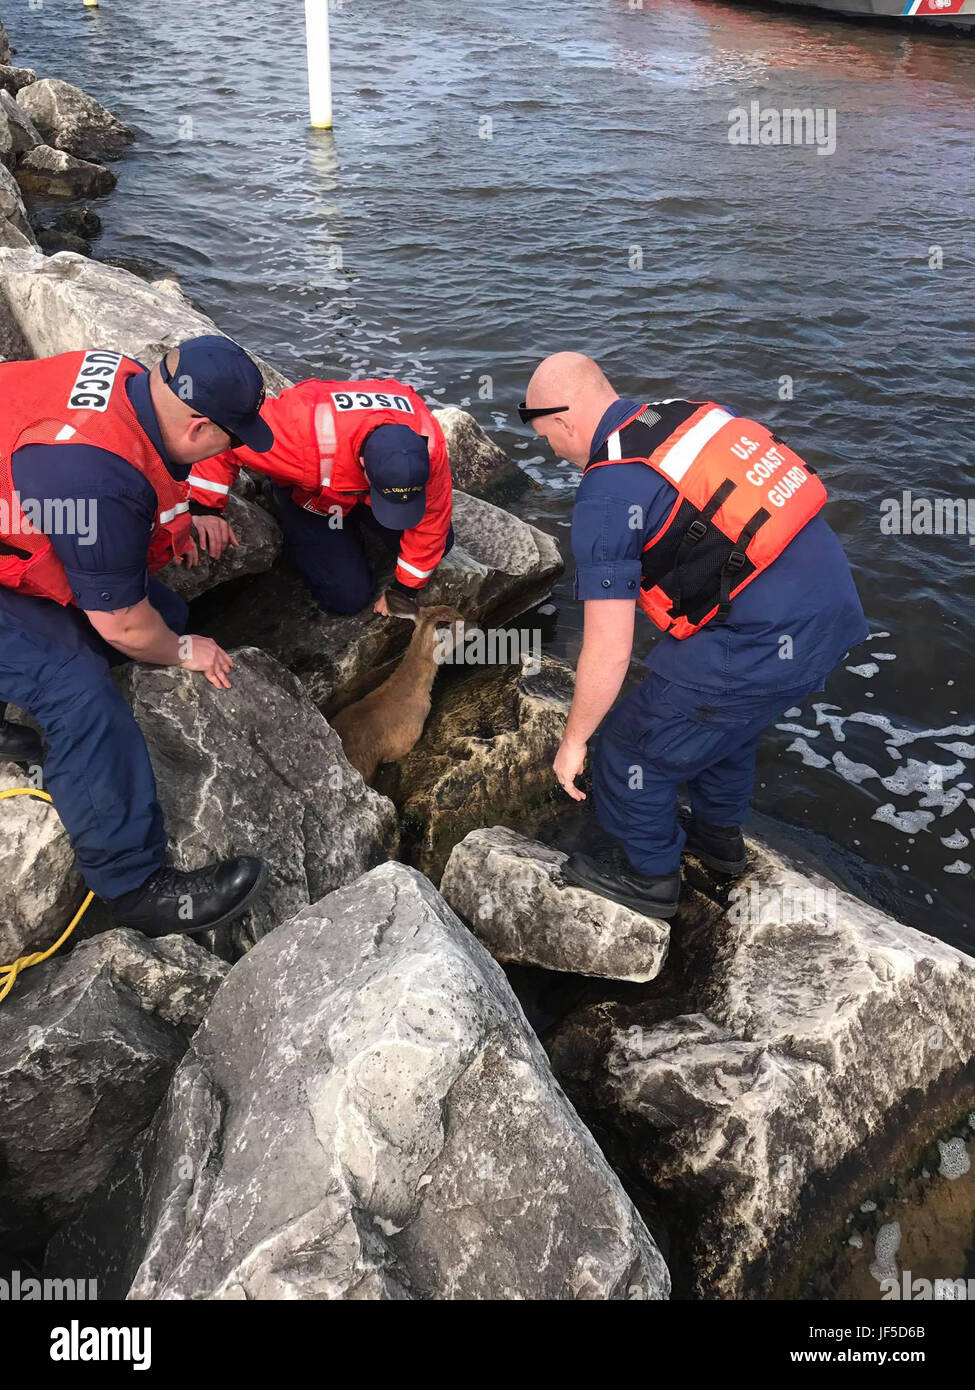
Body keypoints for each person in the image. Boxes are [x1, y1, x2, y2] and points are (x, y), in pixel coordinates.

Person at [521, 352, 868, 918]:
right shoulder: (687, 414)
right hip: (831, 608)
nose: (552, 452)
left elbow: (609, 647)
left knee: (628, 746)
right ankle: (719, 844)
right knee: (723, 724)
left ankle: (649, 878)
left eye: (546, 437)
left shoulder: (607, 496)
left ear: (563, 421)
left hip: (767, 636)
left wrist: (574, 741)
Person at [0, 336, 275, 938]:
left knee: (165, 612)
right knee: (74, 683)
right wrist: (185, 652)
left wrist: (184, 519)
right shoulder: (90, 477)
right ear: (200, 426)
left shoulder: (129, 378)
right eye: (232, 439)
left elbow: (145, 473)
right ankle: (131, 886)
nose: (233, 451)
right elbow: (122, 625)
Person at [185, 377, 453, 615]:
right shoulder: (295, 434)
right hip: (310, 500)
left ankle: (357, 529)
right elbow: (225, 434)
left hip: (358, 496)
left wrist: (404, 590)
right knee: (347, 599)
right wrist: (205, 507)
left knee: (443, 540)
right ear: (362, 463)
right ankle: (278, 498)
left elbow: (432, 521)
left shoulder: (428, 448)